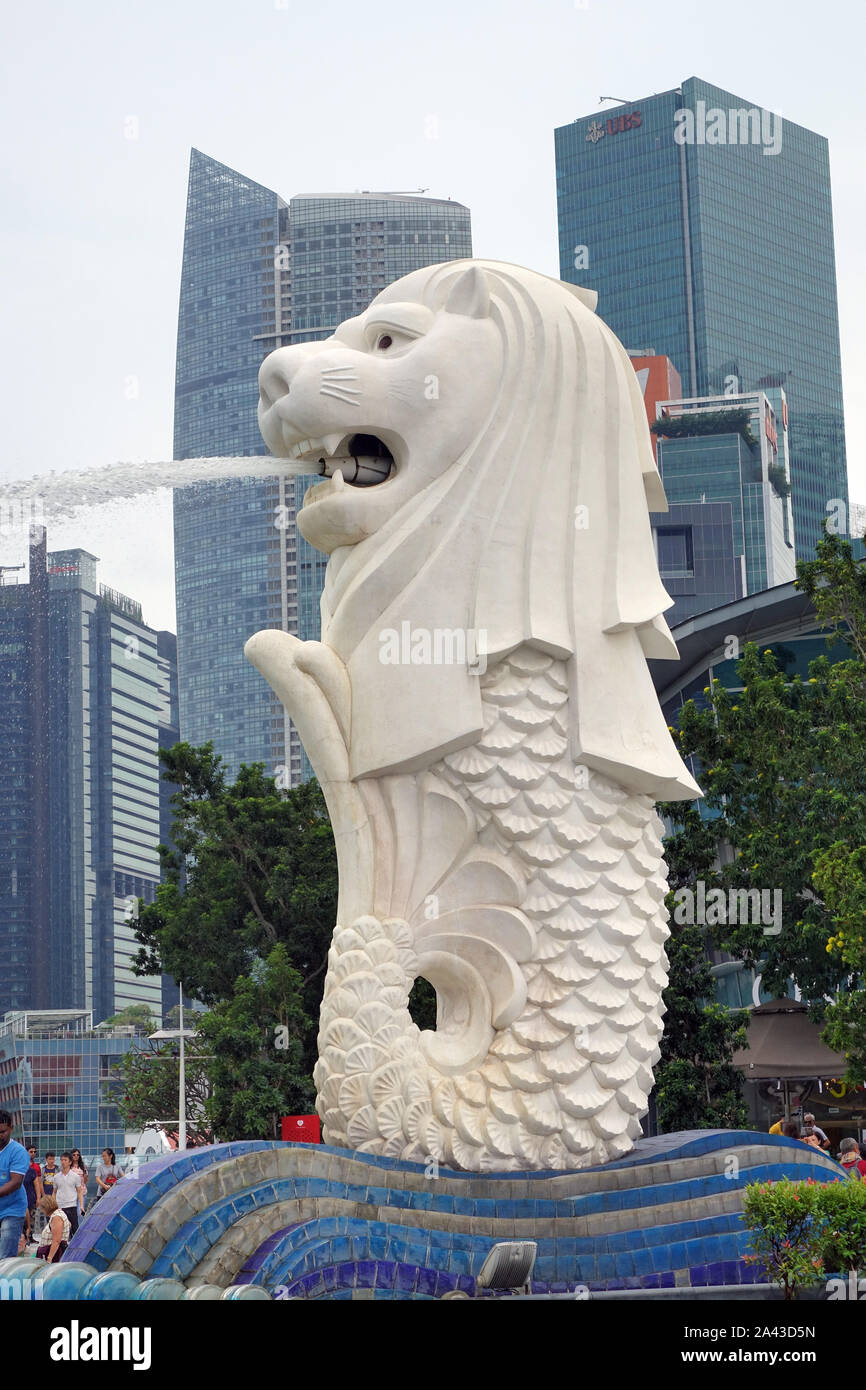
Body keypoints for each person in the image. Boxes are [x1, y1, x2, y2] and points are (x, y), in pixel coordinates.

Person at [0, 1109, 29, 1259]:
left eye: (2, 1132)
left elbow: (16, 1182)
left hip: (12, 1209)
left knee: (5, 1254)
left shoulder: (18, 1152)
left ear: (11, 1128)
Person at [53, 1151, 86, 1235]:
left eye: (65, 1160)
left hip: (71, 1205)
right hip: (60, 1206)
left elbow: (79, 1191)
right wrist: (53, 1206)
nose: (63, 1162)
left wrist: (81, 1206)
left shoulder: (75, 1176)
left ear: (70, 1162)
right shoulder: (56, 1177)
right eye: (62, 1160)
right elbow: (54, 1192)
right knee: (60, 1231)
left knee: (74, 1230)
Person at [35, 1195, 71, 1264]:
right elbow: (69, 1224)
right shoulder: (58, 1213)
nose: (42, 1210)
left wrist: (49, 1258)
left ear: (46, 1207)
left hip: (54, 1255)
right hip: (51, 1251)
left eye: (42, 1208)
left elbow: (56, 1241)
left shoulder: (56, 1217)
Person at [22, 1144, 43, 1242]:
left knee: (32, 1219)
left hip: (31, 1198)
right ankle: (23, 1237)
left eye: (35, 1152)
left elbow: (37, 1184)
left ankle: (30, 1236)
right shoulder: (19, 1170)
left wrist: (38, 1198)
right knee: (22, 1220)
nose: (33, 1154)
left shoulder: (33, 1170)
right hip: (20, 1198)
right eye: (31, 1152)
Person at [69, 1148, 88, 1218]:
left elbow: (85, 1181)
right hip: (72, 1193)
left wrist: (85, 1176)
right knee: (72, 1215)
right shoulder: (69, 1167)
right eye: (74, 1155)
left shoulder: (83, 1166)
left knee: (80, 1212)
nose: (76, 1156)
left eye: (77, 1155)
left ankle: (81, 1228)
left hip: (82, 1192)